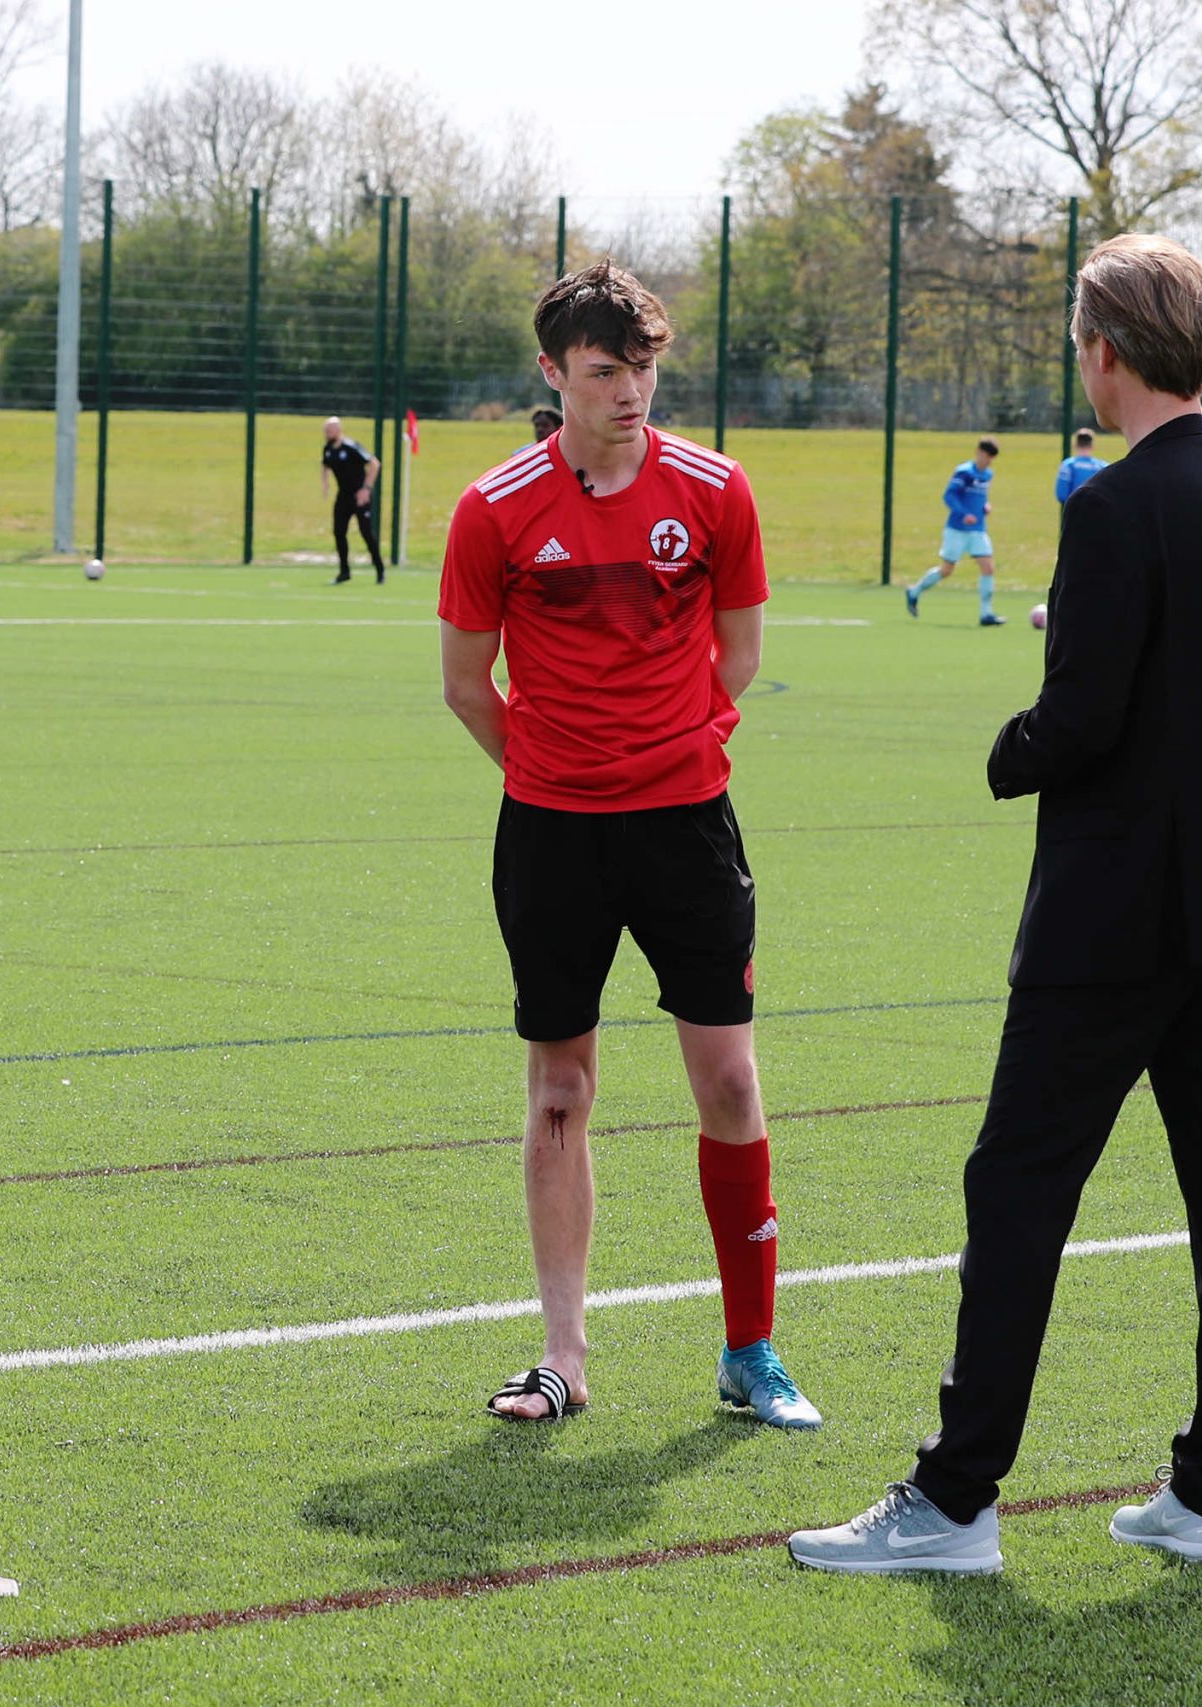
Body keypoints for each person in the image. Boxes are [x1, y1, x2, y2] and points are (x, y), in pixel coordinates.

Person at [790, 234, 1202, 1574]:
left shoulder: (1108, 503)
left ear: (1106, 349)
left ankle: (956, 1499)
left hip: (1110, 917)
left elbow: (1080, 724)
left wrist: (1011, 743)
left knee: (1020, 1184)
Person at [438, 260, 821, 1432]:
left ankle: (750, 1351)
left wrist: (662, 751)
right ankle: (563, 1356)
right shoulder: (494, 507)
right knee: (559, 1091)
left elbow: (739, 652)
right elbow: (465, 684)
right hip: (550, 834)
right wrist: (556, 772)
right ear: (553, 376)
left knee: (730, 1079)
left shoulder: (712, 490)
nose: (630, 392)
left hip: (686, 827)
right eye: (604, 372)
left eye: (644, 369)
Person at [905, 438, 1004, 624]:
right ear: (979, 452)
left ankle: (986, 614)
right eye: (987, 456)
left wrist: (985, 507)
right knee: (947, 570)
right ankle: (914, 591)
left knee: (988, 567)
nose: (989, 461)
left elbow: (979, 498)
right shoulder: (964, 472)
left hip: (977, 529)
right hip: (957, 529)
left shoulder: (988, 475)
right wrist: (963, 513)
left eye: (992, 458)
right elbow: (949, 496)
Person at [320, 417, 384, 584]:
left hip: (360, 496)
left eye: (329, 430)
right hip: (343, 496)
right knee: (339, 532)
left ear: (339, 430)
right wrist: (325, 483)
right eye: (325, 430)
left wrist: (366, 489)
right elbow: (325, 465)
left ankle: (380, 569)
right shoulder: (327, 449)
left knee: (366, 533)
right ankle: (344, 572)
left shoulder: (351, 447)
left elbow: (375, 464)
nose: (326, 433)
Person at [1054, 428, 1107, 503]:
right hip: (1097, 511)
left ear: (1075, 445)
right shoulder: (1102, 466)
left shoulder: (1068, 465)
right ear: (1092, 445)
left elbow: (1061, 494)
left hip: (1073, 511)